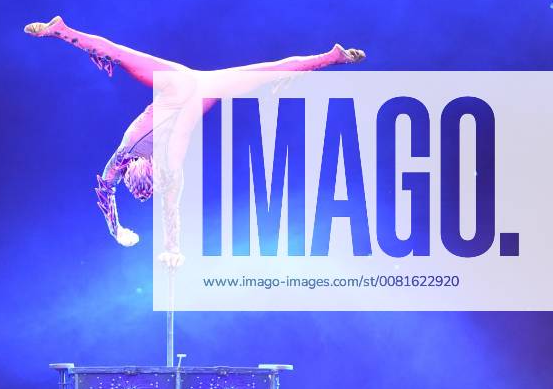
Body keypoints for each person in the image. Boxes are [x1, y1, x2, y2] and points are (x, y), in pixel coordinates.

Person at [24, 16, 365, 266]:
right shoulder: (145, 160)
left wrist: (123, 233)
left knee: (265, 72)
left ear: (142, 173)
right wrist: (159, 244)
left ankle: (62, 31)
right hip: (194, 85)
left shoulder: (146, 159)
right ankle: (331, 57)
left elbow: (123, 195)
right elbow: (116, 192)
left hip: (184, 87)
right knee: (266, 71)